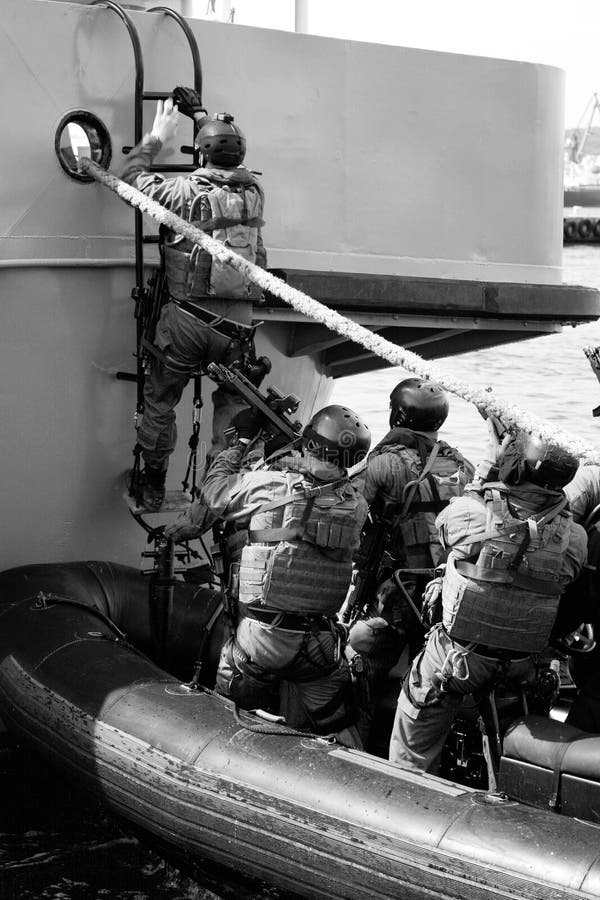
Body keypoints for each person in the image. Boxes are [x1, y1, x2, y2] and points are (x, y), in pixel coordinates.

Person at [388, 421, 587, 773]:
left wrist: (486, 471)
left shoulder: (474, 512)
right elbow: (562, 564)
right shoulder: (575, 537)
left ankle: (405, 787)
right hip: (519, 669)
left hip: (458, 659)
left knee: (412, 742)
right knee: (509, 765)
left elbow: (446, 530)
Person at [174, 404, 371, 745]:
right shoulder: (357, 503)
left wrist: (241, 443)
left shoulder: (269, 487)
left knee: (224, 717)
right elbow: (319, 491)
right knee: (340, 723)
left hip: (261, 641)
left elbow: (213, 494)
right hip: (320, 647)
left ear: (308, 446)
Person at [120, 88, 267, 510]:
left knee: (161, 399)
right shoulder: (255, 193)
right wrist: (201, 115)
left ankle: (152, 483)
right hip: (238, 328)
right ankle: (216, 493)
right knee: (234, 407)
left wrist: (158, 136)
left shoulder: (185, 192)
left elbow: (131, 177)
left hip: (186, 320)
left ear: (200, 155)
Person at [346, 379, 474, 743]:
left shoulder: (384, 464)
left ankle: (356, 747)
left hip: (395, 595)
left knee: (359, 666)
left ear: (398, 415)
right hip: (444, 596)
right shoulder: (462, 465)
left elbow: (348, 520)